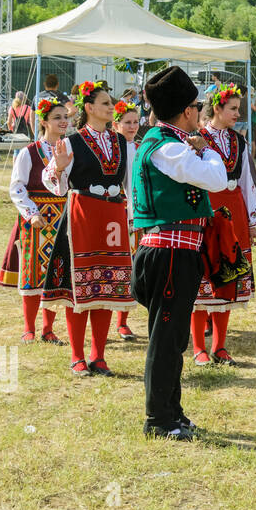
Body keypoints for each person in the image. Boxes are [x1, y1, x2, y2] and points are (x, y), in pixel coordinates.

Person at [131, 66, 228, 440]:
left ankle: (173, 412)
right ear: (187, 111)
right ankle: (158, 418)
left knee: (173, 338)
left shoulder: (162, 142)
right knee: (166, 339)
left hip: (174, 250)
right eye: (198, 106)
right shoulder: (169, 146)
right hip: (170, 252)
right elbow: (219, 179)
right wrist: (207, 148)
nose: (201, 113)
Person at [41, 80, 134, 378]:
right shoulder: (71, 142)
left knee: (109, 283)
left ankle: (99, 355)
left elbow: (130, 183)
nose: (111, 107)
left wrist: (132, 215)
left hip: (112, 215)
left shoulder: (122, 142)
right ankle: (77, 355)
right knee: (79, 284)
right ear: (90, 108)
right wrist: (59, 167)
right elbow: (53, 184)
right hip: (82, 212)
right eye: (106, 103)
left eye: (111, 103)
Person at [190, 85, 256, 366]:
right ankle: (198, 347)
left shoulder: (239, 141)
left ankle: (220, 347)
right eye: (232, 108)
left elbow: (246, 182)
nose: (237, 114)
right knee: (203, 281)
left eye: (238, 109)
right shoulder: (197, 138)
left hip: (233, 211)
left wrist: (254, 223)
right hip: (207, 209)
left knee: (229, 278)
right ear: (216, 109)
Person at [2, 97, 68, 345]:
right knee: (32, 272)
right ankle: (29, 327)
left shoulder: (67, 149)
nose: (63, 122)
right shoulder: (28, 152)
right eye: (57, 118)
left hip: (62, 217)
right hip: (37, 218)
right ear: (44, 122)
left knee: (56, 272)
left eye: (65, 117)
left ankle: (48, 328)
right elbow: (17, 187)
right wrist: (31, 213)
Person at [113, 99, 143, 340]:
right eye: (127, 122)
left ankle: (123, 320)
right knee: (117, 264)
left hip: (138, 214)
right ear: (116, 124)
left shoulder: (141, 147)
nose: (133, 126)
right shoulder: (114, 148)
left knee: (132, 265)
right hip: (116, 212)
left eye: (136, 122)